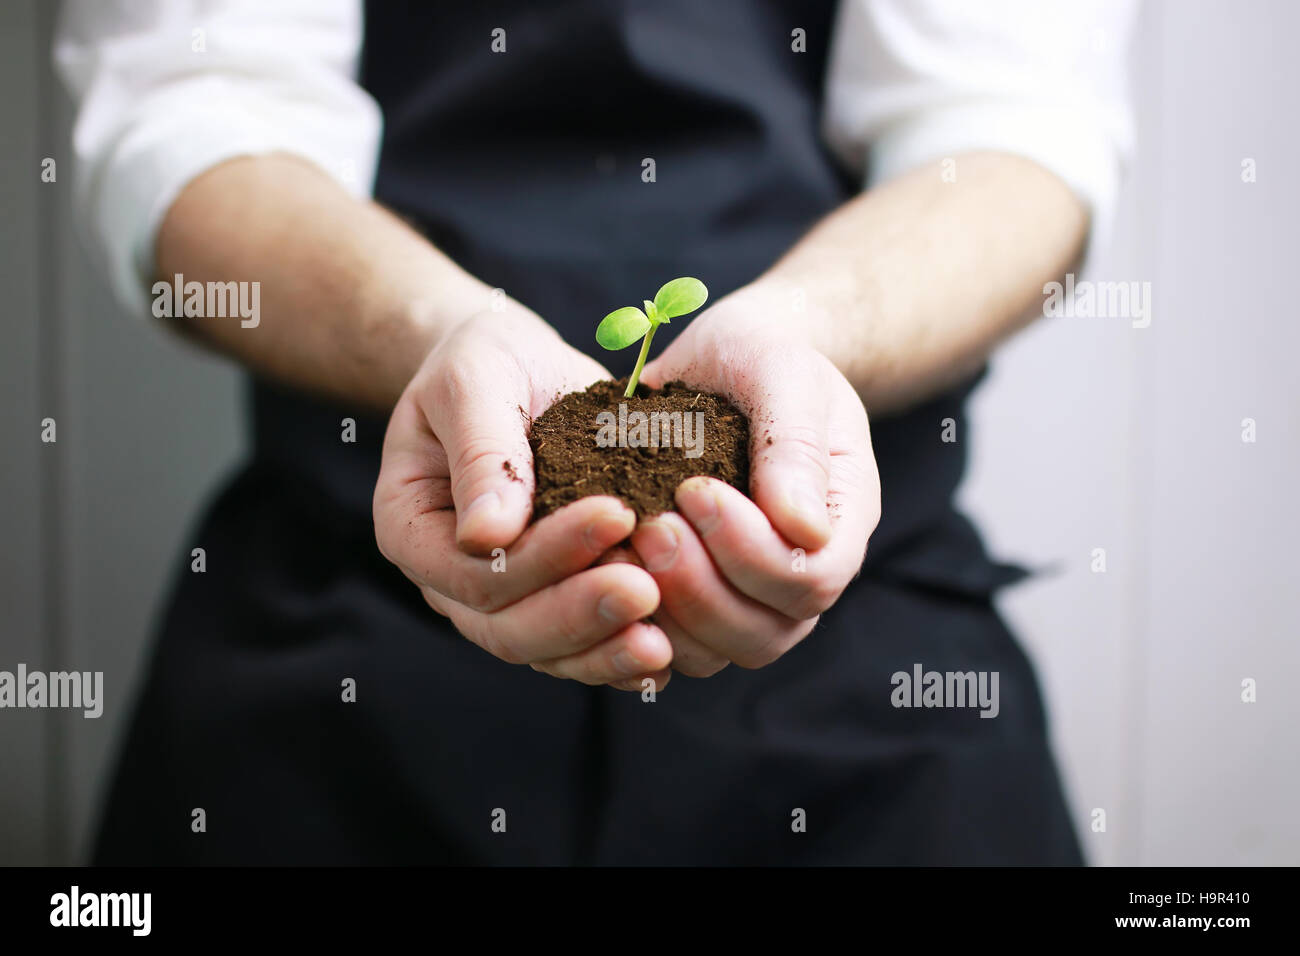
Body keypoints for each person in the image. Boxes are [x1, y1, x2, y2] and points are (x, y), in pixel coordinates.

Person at [56, 0, 1133, 864]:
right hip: (342, 644)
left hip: (863, 657)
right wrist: (447, 332)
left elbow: (1009, 128)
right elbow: (194, 108)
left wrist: (802, 329)